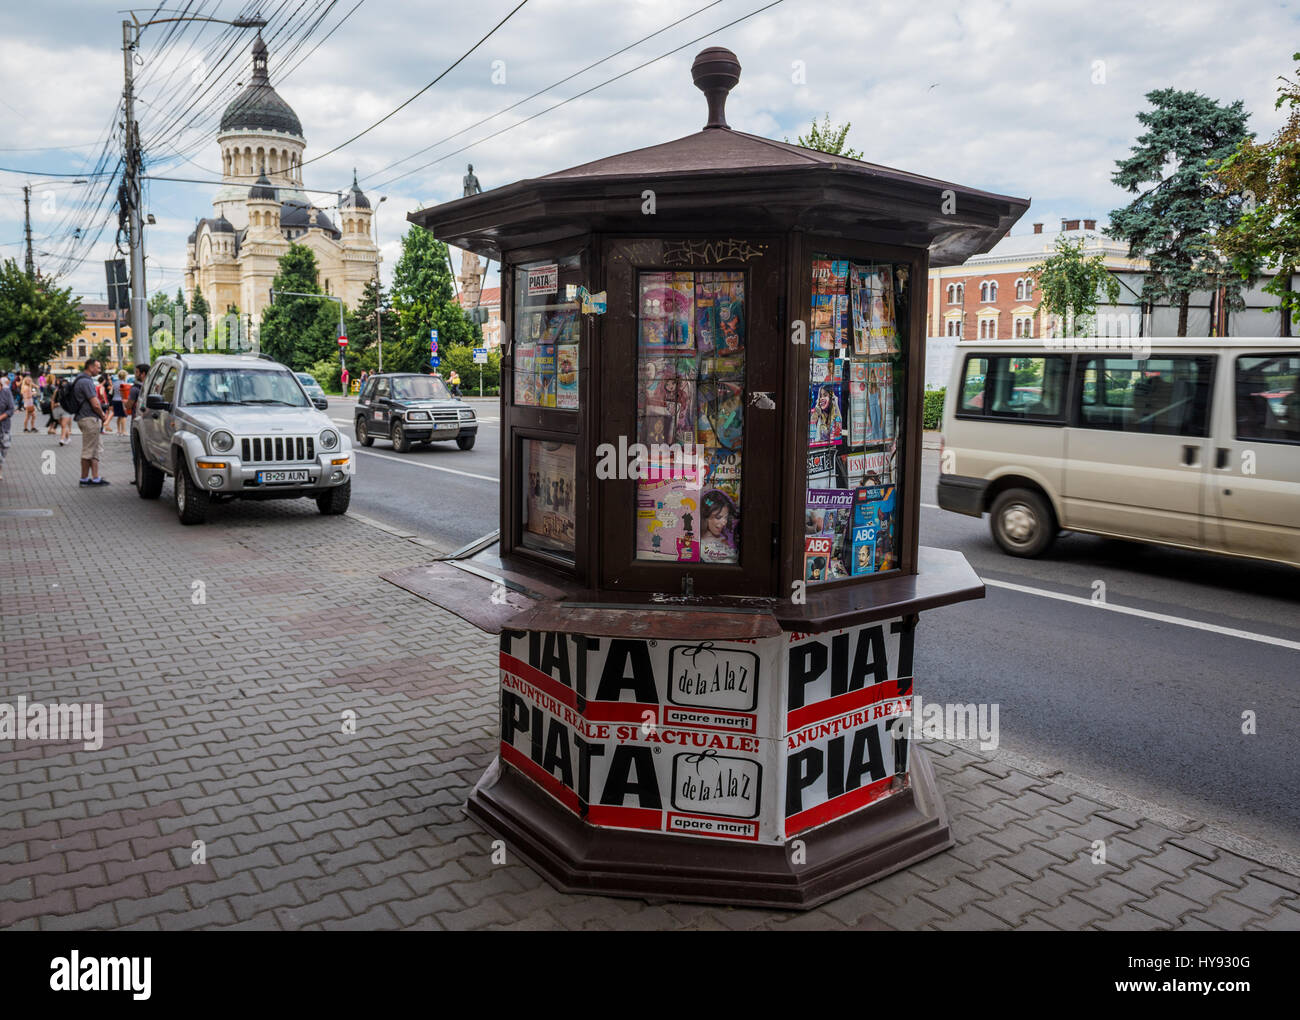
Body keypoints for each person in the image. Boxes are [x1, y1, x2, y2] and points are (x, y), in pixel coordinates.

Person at [73, 358, 111, 486]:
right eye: (98, 367)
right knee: (88, 450)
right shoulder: (86, 382)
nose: (99, 370)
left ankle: (95, 478)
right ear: (90, 367)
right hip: (89, 418)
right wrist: (102, 415)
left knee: (95, 449)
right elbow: (95, 403)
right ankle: (84, 479)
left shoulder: (81, 379)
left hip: (86, 417)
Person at [0, 380, 14, 481]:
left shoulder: (6, 393)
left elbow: (11, 409)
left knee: (4, 448)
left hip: (4, 426)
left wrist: (1, 417)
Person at [112, 370, 129, 435]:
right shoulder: (124, 384)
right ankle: (123, 431)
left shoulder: (115, 383)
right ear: (125, 376)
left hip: (115, 400)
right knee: (123, 416)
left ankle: (118, 430)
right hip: (121, 400)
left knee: (119, 416)